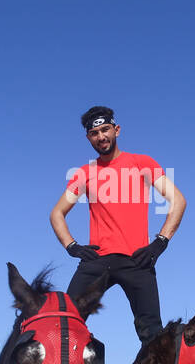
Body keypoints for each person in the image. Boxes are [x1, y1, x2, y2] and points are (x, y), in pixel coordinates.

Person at [50, 106, 186, 346]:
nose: (101, 136)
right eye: (95, 133)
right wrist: (71, 246)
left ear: (117, 130)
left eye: (105, 130)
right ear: (88, 138)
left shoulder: (142, 163)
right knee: (66, 324)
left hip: (137, 259)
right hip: (97, 260)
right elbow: (57, 213)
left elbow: (178, 201)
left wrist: (160, 242)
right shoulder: (84, 174)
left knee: (153, 335)